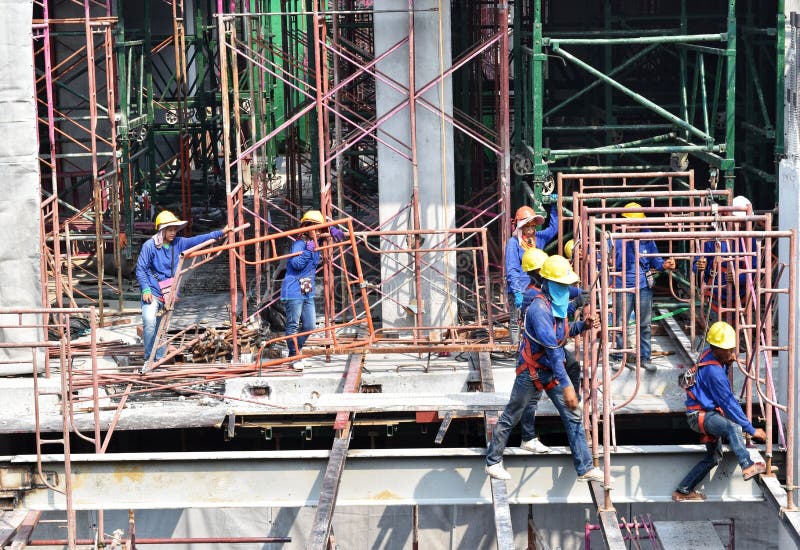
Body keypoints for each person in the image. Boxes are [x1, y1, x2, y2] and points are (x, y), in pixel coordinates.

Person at [485, 255, 603, 482]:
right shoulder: (538, 308)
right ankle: (493, 461)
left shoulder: (557, 305)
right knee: (512, 414)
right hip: (531, 372)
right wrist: (567, 386)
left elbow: (563, 332)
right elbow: (553, 349)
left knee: (573, 416)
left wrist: (583, 325)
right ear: (548, 282)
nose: (566, 290)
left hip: (549, 371)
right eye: (562, 285)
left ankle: (585, 468)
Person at [672, 321, 767, 502]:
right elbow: (728, 404)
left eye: (732, 349)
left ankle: (683, 491)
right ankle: (747, 465)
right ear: (716, 349)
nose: (732, 353)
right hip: (700, 415)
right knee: (733, 428)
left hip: (706, 413)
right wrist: (751, 429)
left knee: (713, 457)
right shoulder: (713, 372)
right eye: (729, 350)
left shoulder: (712, 354)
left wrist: (728, 362)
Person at [136, 210, 229, 365]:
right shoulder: (149, 246)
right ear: (162, 230)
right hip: (152, 291)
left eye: (175, 229)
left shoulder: (179, 243)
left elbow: (198, 240)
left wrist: (220, 233)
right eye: (170, 229)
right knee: (149, 321)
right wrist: (145, 289)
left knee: (161, 327)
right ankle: (149, 358)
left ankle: (158, 358)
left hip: (168, 293)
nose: (173, 233)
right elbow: (141, 268)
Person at [612, 202, 676, 372]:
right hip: (622, 286)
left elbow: (656, 260)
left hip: (643, 287)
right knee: (620, 323)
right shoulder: (616, 239)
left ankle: (645, 358)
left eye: (637, 223)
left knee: (644, 324)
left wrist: (665, 265)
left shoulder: (647, 238)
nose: (634, 226)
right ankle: (619, 357)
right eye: (630, 222)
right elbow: (603, 261)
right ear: (623, 221)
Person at [280, 210, 343, 371]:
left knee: (309, 325)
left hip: (306, 289)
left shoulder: (316, 242)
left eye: (319, 227)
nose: (317, 230)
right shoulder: (299, 244)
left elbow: (334, 235)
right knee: (293, 324)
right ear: (306, 227)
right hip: (294, 289)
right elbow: (296, 265)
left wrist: (332, 229)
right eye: (314, 227)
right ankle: (294, 356)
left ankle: (296, 353)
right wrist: (308, 250)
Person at [693, 196, 754, 325]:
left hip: (740, 299)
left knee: (734, 333)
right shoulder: (714, 237)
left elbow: (754, 271)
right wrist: (699, 265)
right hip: (715, 296)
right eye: (736, 219)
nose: (739, 224)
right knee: (716, 332)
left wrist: (738, 277)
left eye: (742, 221)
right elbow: (696, 263)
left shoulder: (750, 240)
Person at [505, 202, 558, 343]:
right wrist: (517, 292)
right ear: (520, 226)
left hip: (535, 287)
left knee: (536, 318)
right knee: (516, 321)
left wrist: (554, 208)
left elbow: (553, 229)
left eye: (533, 226)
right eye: (527, 226)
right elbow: (512, 269)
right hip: (519, 289)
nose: (530, 229)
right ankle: (516, 349)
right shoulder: (513, 243)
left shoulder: (538, 238)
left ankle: (534, 347)